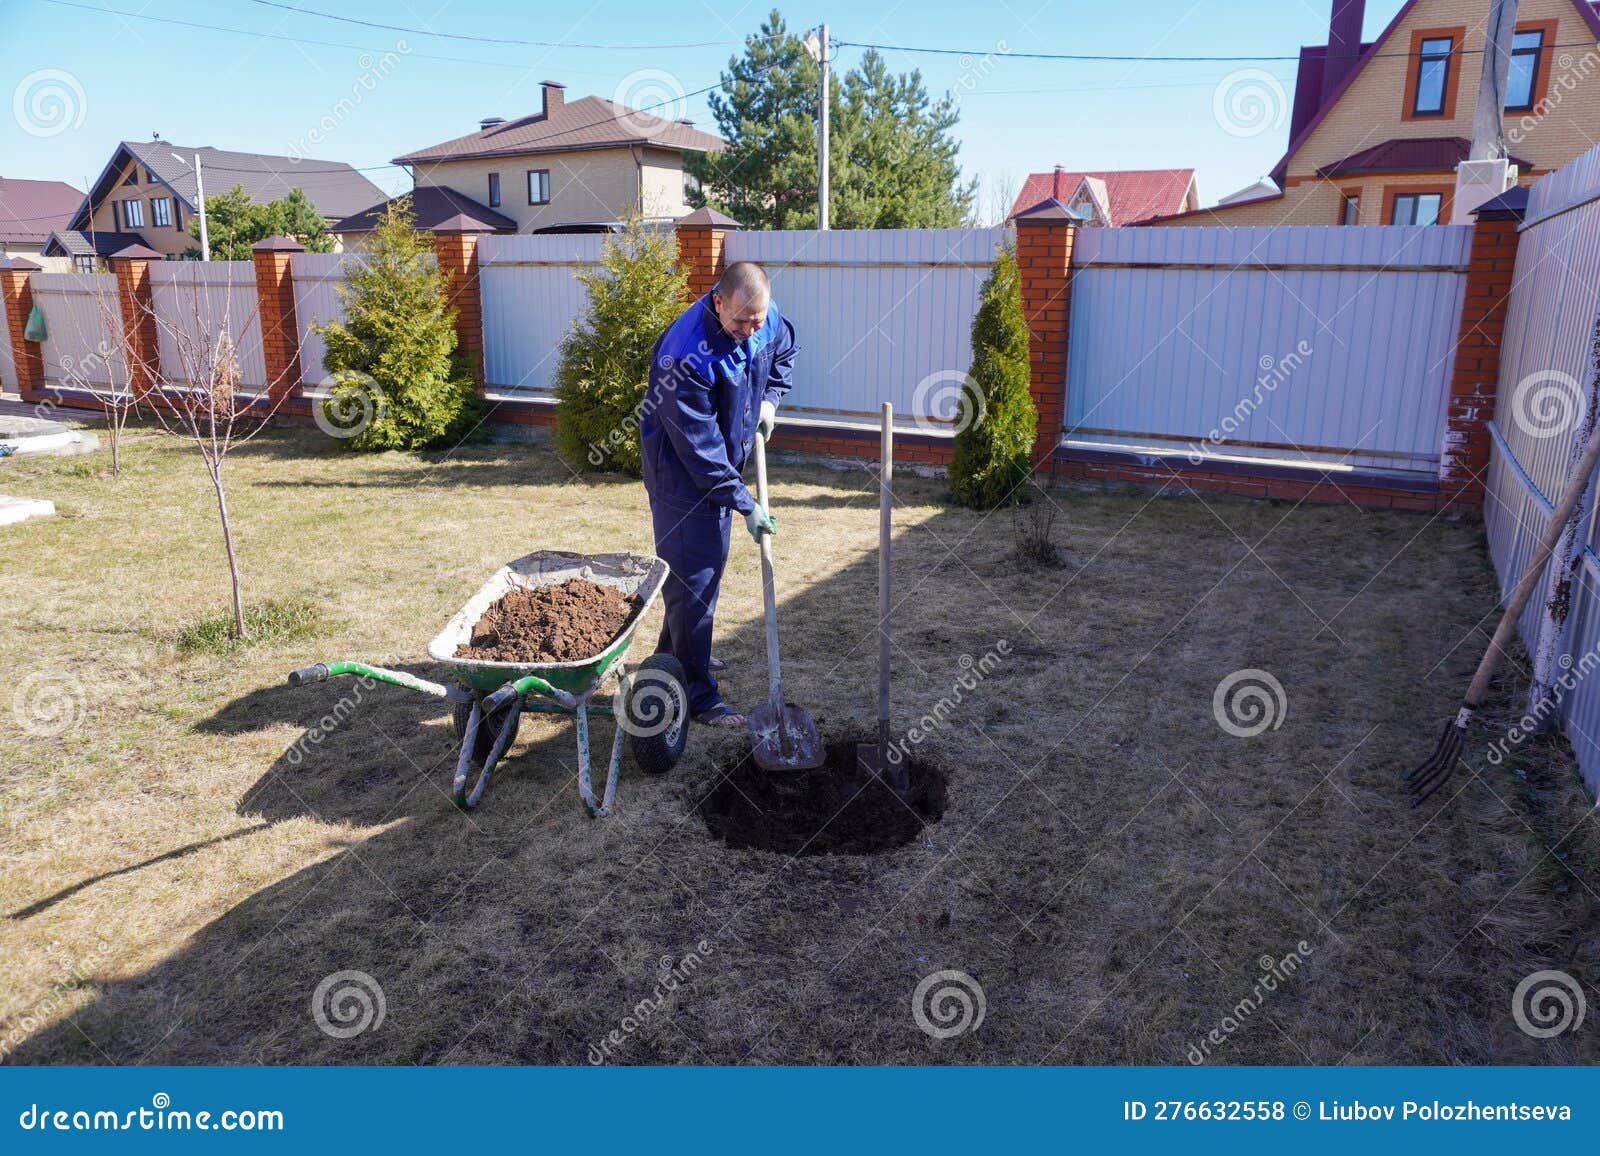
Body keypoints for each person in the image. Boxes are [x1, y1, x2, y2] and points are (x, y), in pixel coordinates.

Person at [639, 261, 797, 728]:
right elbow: (700, 450)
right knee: (695, 580)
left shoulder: (760, 316)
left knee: (698, 577)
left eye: (757, 321)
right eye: (741, 322)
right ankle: (698, 695)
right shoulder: (685, 356)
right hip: (682, 479)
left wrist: (769, 400)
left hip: (721, 468)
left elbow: (785, 349)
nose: (751, 331)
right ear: (718, 301)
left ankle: (679, 655)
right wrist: (744, 502)